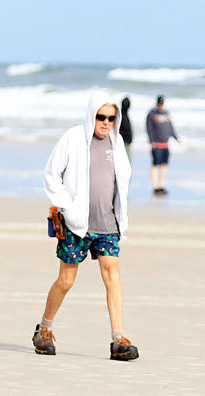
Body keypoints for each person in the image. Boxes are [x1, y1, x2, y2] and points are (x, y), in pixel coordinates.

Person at [32, 92, 139, 361]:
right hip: (76, 225)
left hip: (108, 223)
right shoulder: (73, 138)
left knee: (112, 275)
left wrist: (120, 215)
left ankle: (118, 339)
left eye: (111, 118)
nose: (105, 123)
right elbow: (51, 175)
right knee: (66, 280)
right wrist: (66, 206)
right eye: (101, 117)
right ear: (92, 115)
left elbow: (122, 182)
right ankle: (44, 329)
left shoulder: (117, 144)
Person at [146, 95, 180, 195]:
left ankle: (161, 185)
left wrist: (176, 137)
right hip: (156, 144)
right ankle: (155, 186)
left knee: (165, 164)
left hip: (165, 144)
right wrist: (151, 141)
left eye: (162, 104)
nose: (161, 106)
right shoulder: (151, 114)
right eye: (159, 104)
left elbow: (171, 127)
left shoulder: (166, 113)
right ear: (157, 103)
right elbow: (149, 128)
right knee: (155, 164)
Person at [119, 96, 133, 161]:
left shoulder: (122, 114)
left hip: (125, 142)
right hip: (123, 142)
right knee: (126, 161)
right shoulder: (121, 115)